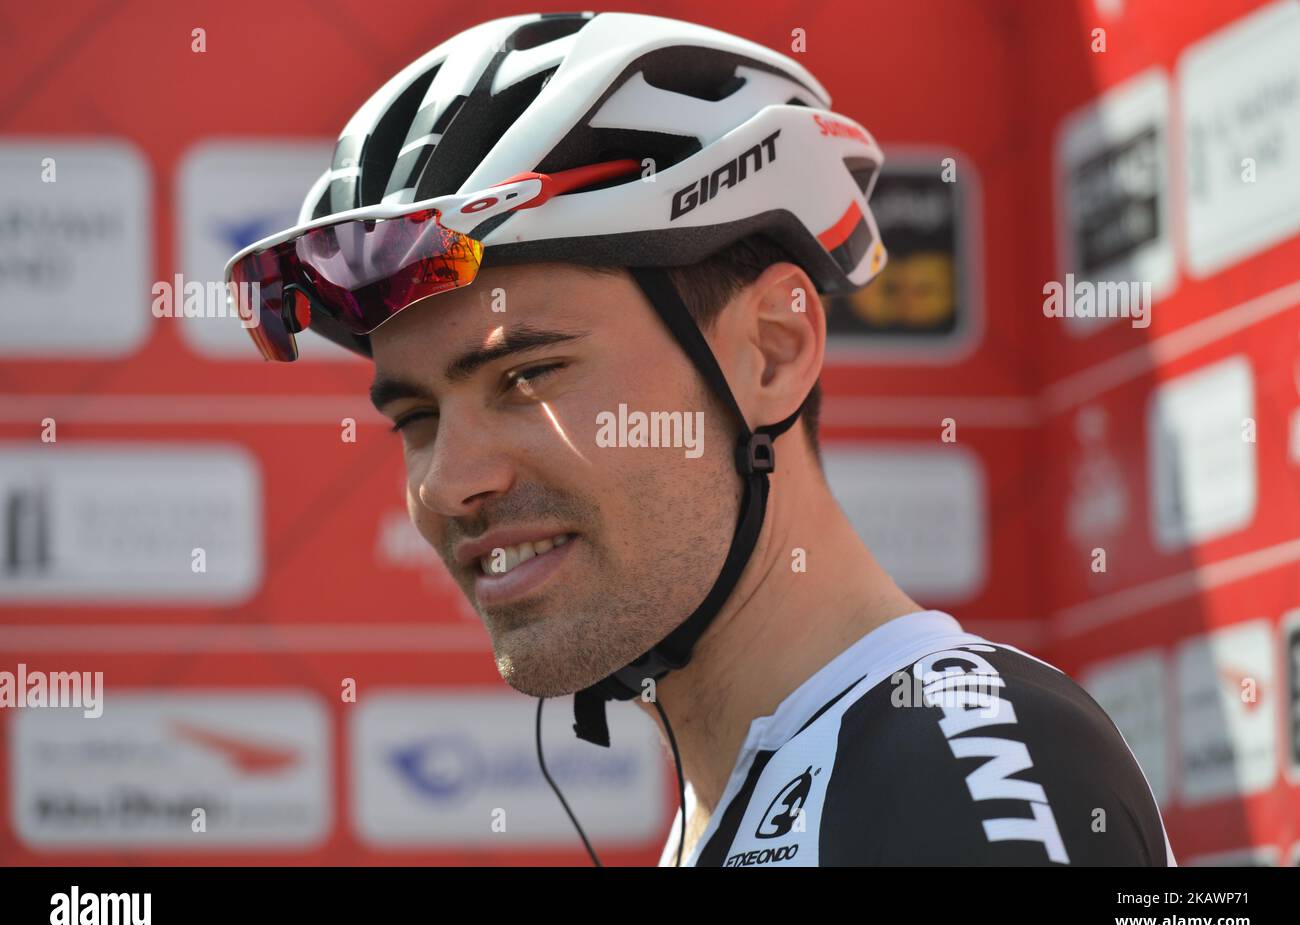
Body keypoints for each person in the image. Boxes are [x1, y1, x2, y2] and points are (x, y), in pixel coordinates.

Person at [224, 11, 1176, 866]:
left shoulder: (954, 773)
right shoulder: (762, 796)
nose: (447, 484)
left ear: (772, 351)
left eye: (527, 375)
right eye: (417, 418)